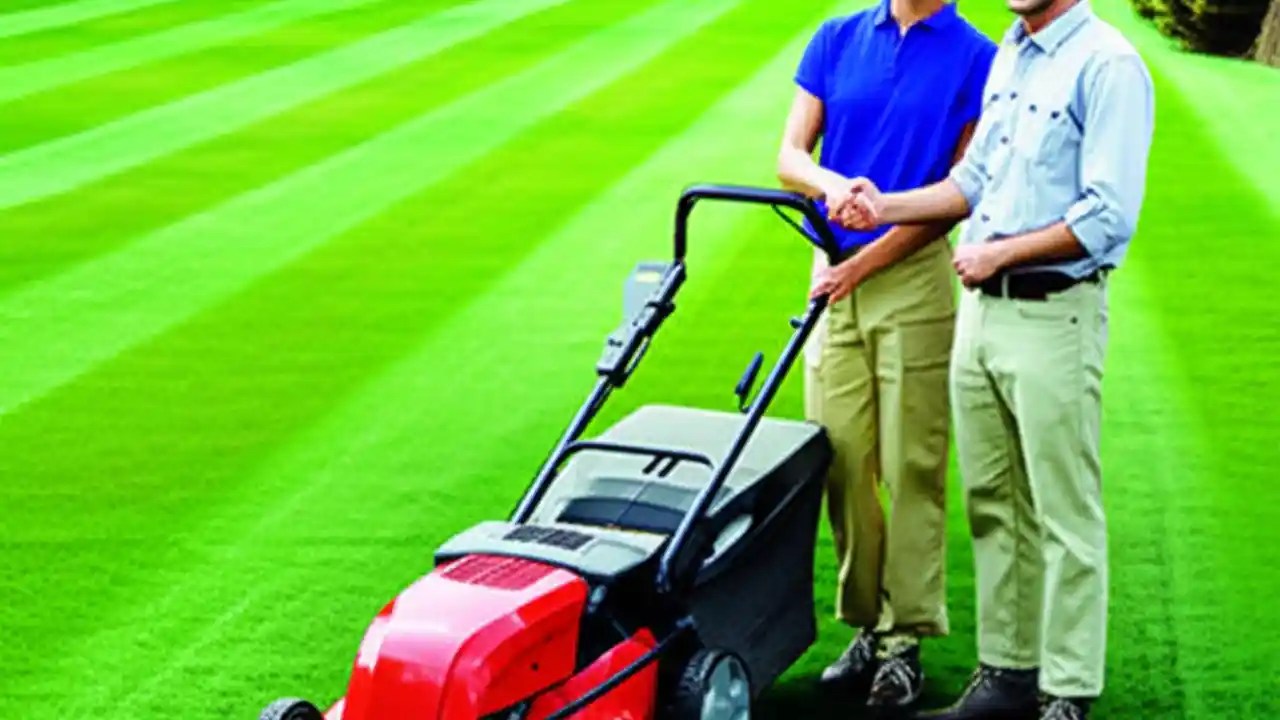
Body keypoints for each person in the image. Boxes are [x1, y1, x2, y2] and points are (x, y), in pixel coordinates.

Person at [837, 0, 1155, 717]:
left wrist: (999, 252)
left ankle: (1067, 692)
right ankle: (1007, 676)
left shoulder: (1108, 65)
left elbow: (1109, 213)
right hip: (982, 316)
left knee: (1064, 511)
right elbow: (971, 181)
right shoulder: (1011, 52)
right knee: (992, 503)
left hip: (1053, 315)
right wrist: (882, 205)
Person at [776, 0, 996, 710]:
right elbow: (789, 158)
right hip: (831, 270)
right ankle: (866, 622)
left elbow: (954, 197)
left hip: (912, 277)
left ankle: (902, 641)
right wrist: (833, 190)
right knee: (841, 459)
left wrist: (861, 262)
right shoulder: (837, 37)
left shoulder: (975, 55)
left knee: (912, 463)